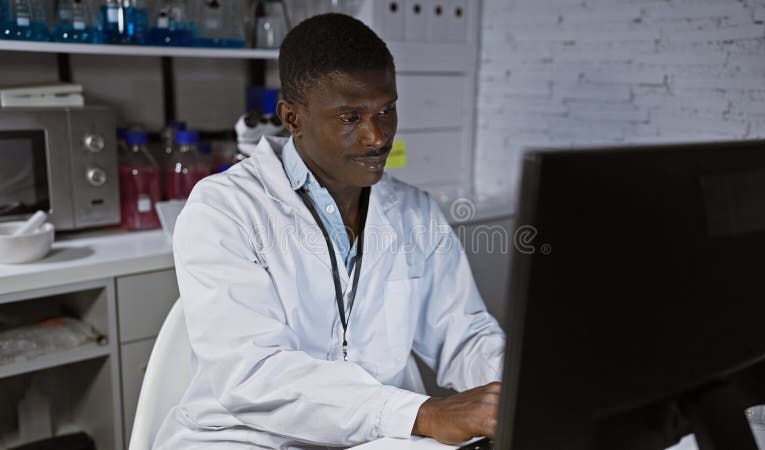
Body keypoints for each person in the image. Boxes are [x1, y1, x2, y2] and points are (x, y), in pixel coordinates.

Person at [153, 13, 505, 450]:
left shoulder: (414, 212)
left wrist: (518, 389)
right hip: (247, 438)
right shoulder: (224, 210)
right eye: (350, 117)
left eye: (386, 111)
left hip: (378, 436)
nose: (377, 137)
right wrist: (421, 412)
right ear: (291, 117)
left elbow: (464, 335)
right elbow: (254, 373)